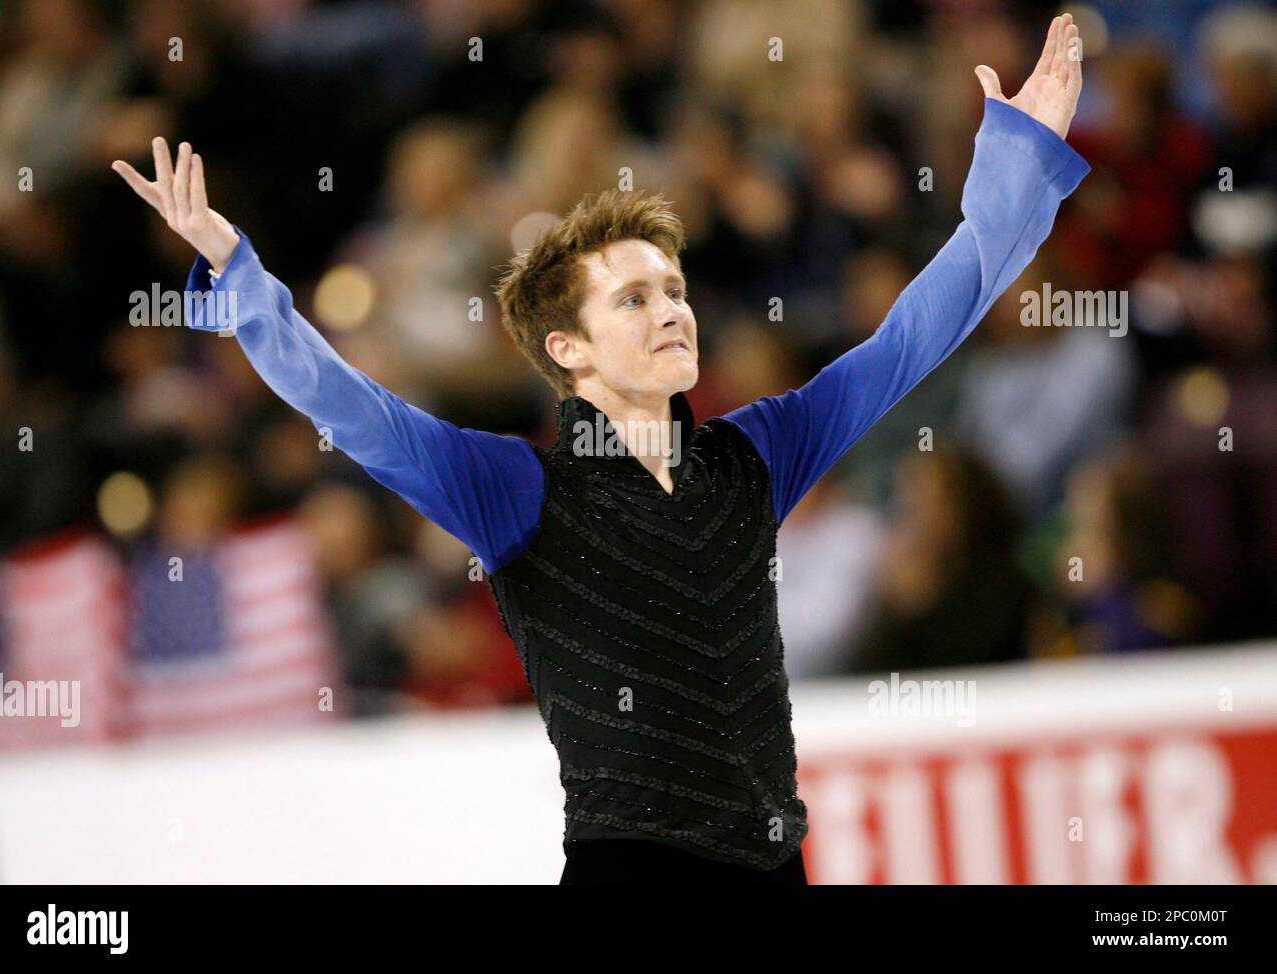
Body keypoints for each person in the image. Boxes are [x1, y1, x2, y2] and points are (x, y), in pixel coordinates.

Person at [112, 14, 1090, 885]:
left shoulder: (754, 453)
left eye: (674, 290)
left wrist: (1016, 169)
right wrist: (237, 273)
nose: (671, 311)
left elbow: (911, 339)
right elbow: (349, 405)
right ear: (566, 349)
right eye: (634, 298)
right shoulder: (513, 488)